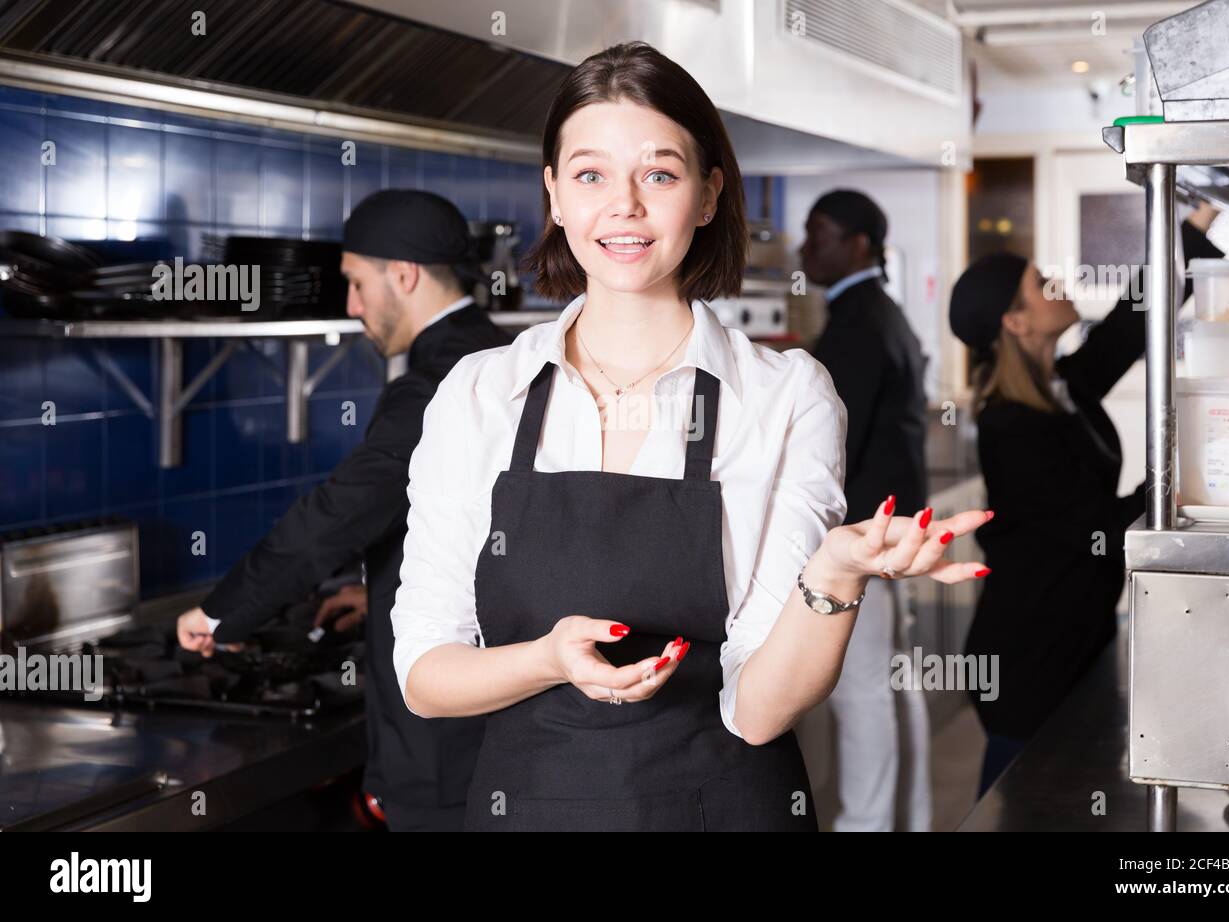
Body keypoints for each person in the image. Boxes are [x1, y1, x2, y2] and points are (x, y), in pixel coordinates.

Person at [390, 41, 991, 832]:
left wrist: (836, 574)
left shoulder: (782, 396)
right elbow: (426, 676)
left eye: (660, 174)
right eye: (591, 174)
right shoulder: (479, 393)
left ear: (708, 195)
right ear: (556, 196)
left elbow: (758, 710)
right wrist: (544, 660)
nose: (624, 206)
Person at [176, 190, 511, 830]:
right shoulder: (496, 352)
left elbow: (342, 512)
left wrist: (222, 610)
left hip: (448, 745)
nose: (352, 306)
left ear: (404, 275)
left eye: (356, 283)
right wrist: (378, 592)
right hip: (493, 715)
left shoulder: (436, 382)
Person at [949, 204, 1223, 796]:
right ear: (1017, 322)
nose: (1059, 283)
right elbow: (1096, 526)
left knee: (1061, 796)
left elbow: (1130, 324)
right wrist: (1194, 477)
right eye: (1040, 282)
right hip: (1027, 656)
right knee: (1018, 803)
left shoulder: (1064, 385)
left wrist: (1187, 232)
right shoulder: (1009, 426)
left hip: (1075, 633)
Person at [795, 189, 931, 831]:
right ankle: (908, 818)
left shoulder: (854, 321)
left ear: (856, 244)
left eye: (817, 234)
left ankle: (865, 825)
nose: (803, 247)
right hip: (891, 531)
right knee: (893, 689)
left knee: (863, 694)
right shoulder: (884, 311)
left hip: (866, 537)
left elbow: (830, 448)